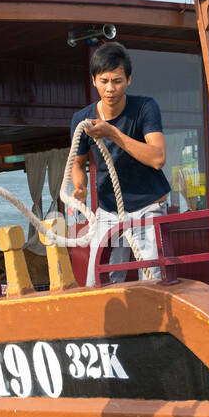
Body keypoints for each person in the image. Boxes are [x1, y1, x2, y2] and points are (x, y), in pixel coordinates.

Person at [69, 42, 170, 285]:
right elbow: (77, 163)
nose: (110, 88)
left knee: (154, 279)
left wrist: (113, 133)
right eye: (104, 81)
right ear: (94, 80)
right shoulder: (81, 119)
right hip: (108, 210)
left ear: (129, 80)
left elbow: (158, 158)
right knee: (98, 281)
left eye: (117, 80)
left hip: (148, 207)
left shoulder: (145, 107)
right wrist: (80, 189)